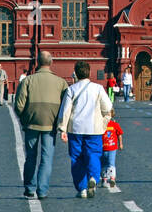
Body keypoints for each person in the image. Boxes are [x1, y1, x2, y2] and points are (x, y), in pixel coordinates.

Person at [15, 51, 68, 200]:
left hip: (31, 124)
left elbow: (19, 105)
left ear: (37, 62)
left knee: (30, 157)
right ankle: (42, 190)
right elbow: (66, 106)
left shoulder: (27, 81)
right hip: (50, 125)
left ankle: (29, 189)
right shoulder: (61, 82)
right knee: (47, 158)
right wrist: (60, 122)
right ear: (51, 63)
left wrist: (24, 119)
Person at [58, 61, 112, 198]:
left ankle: (81, 189)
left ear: (76, 73)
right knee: (93, 154)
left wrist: (62, 129)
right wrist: (103, 124)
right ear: (89, 72)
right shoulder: (98, 88)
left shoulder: (72, 89)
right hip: (94, 129)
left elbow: (65, 111)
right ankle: (93, 177)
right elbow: (108, 107)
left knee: (76, 158)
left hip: (75, 129)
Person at [101, 110, 123, 191]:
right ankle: (104, 179)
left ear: (112, 114)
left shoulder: (115, 125)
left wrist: (120, 144)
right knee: (103, 164)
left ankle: (112, 179)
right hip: (102, 148)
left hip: (112, 148)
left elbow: (119, 134)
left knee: (111, 163)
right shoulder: (101, 125)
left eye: (109, 113)